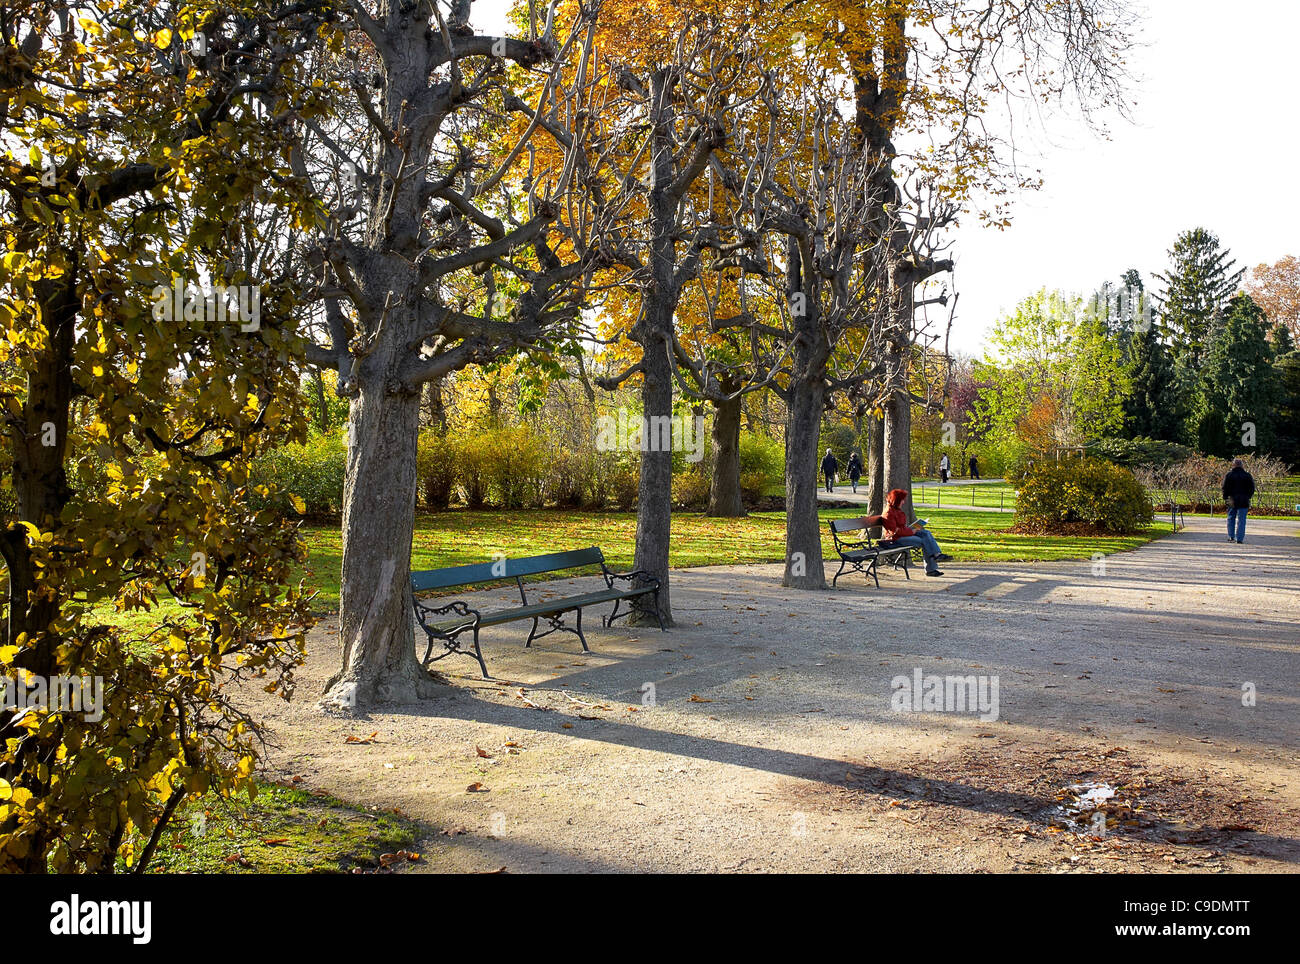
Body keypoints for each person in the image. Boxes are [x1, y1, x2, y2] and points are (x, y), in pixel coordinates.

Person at [868, 488, 952, 577]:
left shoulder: (896, 509)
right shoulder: (888, 513)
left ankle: (936, 554)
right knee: (923, 541)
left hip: (905, 533)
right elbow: (895, 532)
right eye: (902, 500)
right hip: (896, 539)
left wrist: (913, 528)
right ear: (896, 501)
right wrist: (911, 531)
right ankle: (931, 568)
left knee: (926, 533)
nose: (903, 502)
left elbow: (901, 527)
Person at [1222, 458, 1256, 544]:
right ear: (1242, 465)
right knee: (1242, 520)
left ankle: (1231, 536)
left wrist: (1225, 498)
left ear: (1233, 465)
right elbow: (1252, 488)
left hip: (1231, 499)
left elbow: (1224, 487)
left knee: (1231, 518)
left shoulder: (1229, 475)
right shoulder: (1247, 475)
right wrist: (1248, 496)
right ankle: (1240, 538)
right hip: (1244, 499)